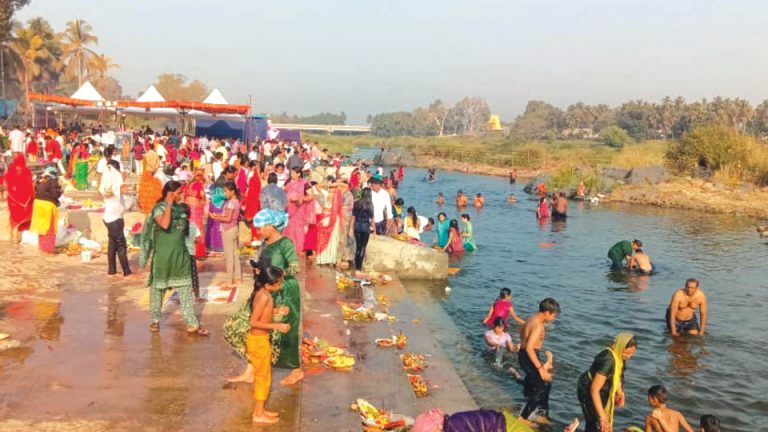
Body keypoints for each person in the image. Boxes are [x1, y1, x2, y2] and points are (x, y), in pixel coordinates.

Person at [139, 181, 208, 336]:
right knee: (158, 291)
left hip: (180, 256)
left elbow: (185, 229)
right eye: (178, 192)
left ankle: (192, 323)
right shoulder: (159, 209)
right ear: (170, 193)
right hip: (163, 258)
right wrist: (169, 205)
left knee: (186, 291)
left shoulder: (181, 209)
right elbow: (164, 225)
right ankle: (155, 320)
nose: (181, 195)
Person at [252, 209, 303, 385]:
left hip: (286, 290)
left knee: (288, 330)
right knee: (261, 328)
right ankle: (251, 370)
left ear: (270, 226)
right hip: (268, 290)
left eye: (260, 228)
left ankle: (296, 370)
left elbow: (295, 267)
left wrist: (275, 274)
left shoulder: (285, 243)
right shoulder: (265, 243)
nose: (258, 231)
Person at [246, 261, 290, 425]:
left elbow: (263, 313)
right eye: (279, 282)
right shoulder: (264, 296)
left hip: (261, 340)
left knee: (264, 376)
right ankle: (257, 414)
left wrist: (277, 310)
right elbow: (253, 322)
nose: (281, 284)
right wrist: (277, 326)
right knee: (262, 378)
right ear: (268, 284)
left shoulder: (263, 293)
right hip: (258, 342)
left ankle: (261, 409)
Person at [577, 332, 637, 432]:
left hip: (603, 388)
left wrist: (620, 392)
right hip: (588, 390)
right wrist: (602, 418)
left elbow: (617, 374)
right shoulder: (608, 360)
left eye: (631, 354)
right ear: (620, 347)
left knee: (602, 420)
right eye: (626, 353)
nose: (628, 357)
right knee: (596, 422)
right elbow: (594, 390)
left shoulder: (618, 355)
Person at [518, 298, 561, 422]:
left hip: (526, 355)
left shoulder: (532, 318)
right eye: (554, 316)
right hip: (529, 356)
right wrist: (541, 369)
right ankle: (523, 418)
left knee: (544, 385)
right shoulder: (537, 325)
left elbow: (522, 332)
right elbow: (530, 348)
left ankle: (542, 414)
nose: (554, 319)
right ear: (547, 312)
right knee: (541, 389)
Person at [100, 159, 133, 278]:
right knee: (121, 245)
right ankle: (127, 272)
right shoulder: (114, 183)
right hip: (114, 220)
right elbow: (123, 191)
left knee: (112, 244)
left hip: (111, 218)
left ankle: (112, 271)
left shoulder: (107, 184)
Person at [208, 182, 242, 288]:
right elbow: (228, 216)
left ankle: (229, 280)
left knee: (229, 256)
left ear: (232, 191)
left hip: (228, 230)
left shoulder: (231, 203)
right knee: (235, 254)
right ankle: (237, 278)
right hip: (234, 228)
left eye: (226, 191)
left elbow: (228, 219)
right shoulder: (236, 201)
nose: (224, 193)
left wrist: (216, 217)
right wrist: (218, 215)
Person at [30, 166, 63, 254]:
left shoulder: (41, 179)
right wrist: (61, 190)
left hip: (38, 204)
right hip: (47, 206)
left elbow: (36, 189)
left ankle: (42, 247)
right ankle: (48, 250)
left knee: (42, 227)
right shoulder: (53, 181)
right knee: (49, 228)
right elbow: (55, 194)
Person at [5, 154, 34, 244]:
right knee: (23, 218)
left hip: (13, 200)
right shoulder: (26, 171)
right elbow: (30, 184)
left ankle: (13, 237)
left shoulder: (10, 171)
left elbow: (8, 184)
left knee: (14, 218)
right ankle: (19, 237)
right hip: (25, 199)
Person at [284, 167, 312, 253]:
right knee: (288, 228)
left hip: (299, 209)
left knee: (298, 229)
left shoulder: (304, 183)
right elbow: (283, 191)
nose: (291, 175)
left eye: (293, 173)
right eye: (291, 173)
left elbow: (311, 196)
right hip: (288, 209)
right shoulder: (288, 181)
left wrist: (301, 198)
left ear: (298, 174)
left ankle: (299, 248)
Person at [316, 180, 344, 265]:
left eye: (335, 187)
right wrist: (330, 184)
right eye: (332, 187)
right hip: (326, 218)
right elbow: (317, 186)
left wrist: (336, 184)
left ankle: (329, 259)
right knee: (324, 238)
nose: (333, 189)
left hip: (333, 219)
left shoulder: (337, 195)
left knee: (332, 238)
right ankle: (325, 259)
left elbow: (345, 186)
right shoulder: (326, 193)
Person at [350, 188, 375, 271]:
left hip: (357, 226)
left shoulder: (357, 203)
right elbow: (372, 219)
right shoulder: (370, 204)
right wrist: (374, 231)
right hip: (365, 227)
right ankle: (359, 268)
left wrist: (351, 228)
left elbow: (353, 217)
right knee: (363, 248)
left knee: (358, 247)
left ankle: (356, 266)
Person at [183, 169, 207, 258]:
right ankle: (198, 252)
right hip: (195, 209)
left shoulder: (188, 184)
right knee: (198, 229)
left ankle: (188, 250)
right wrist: (204, 200)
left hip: (187, 208)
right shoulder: (199, 185)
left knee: (188, 228)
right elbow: (202, 195)